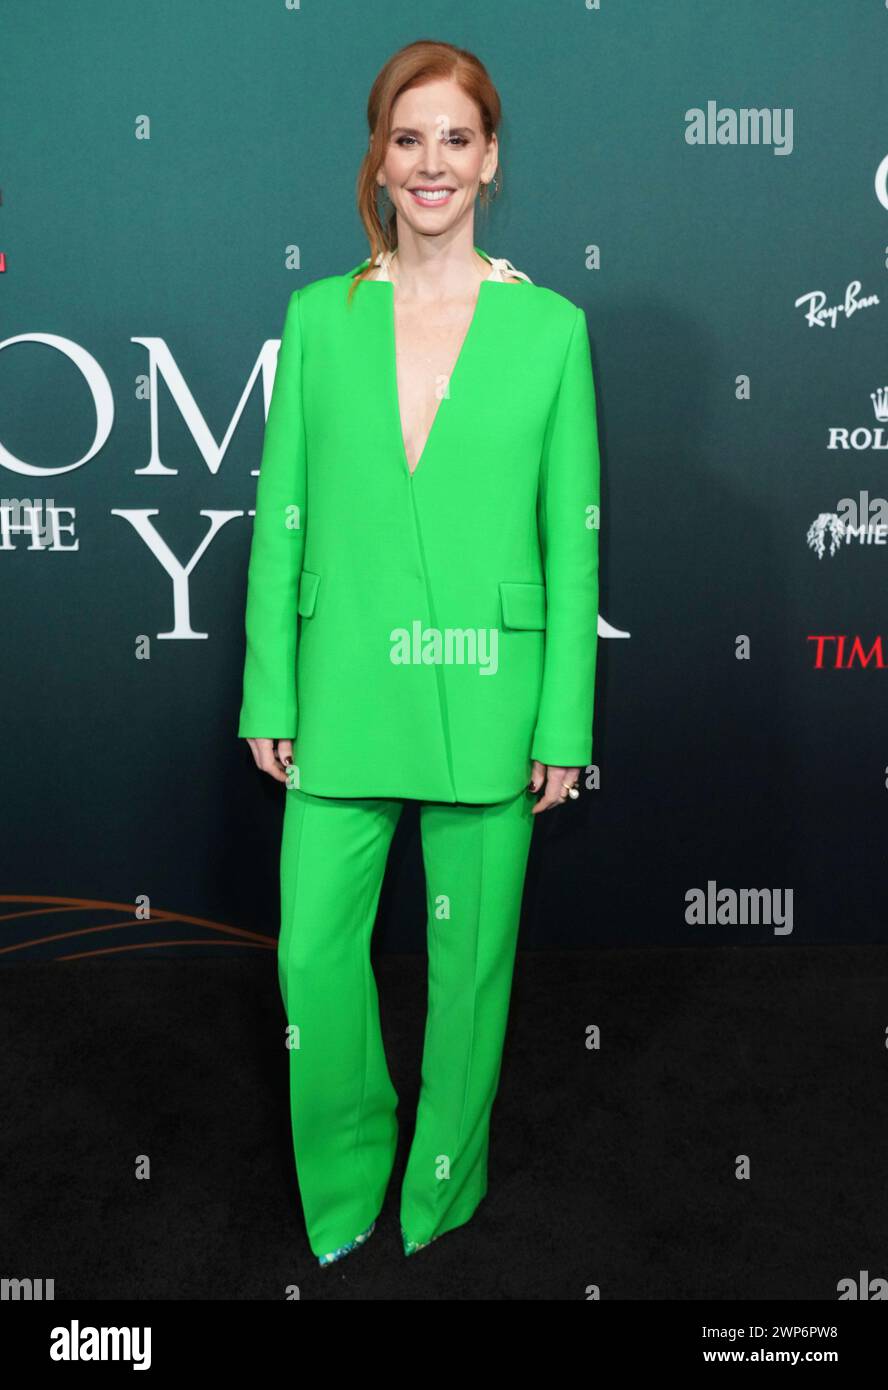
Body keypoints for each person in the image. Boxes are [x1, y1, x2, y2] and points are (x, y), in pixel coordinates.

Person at [238, 39, 602, 1266]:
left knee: (473, 967)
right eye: (409, 137)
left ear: (490, 158)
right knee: (310, 958)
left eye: (457, 138)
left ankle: (442, 1179)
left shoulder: (551, 330)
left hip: (491, 695)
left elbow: (574, 546)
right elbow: (278, 521)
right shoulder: (316, 317)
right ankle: (347, 1166)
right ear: (379, 158)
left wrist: (564, 723)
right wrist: (269, 687)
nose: (431, 162)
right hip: (342, 687)